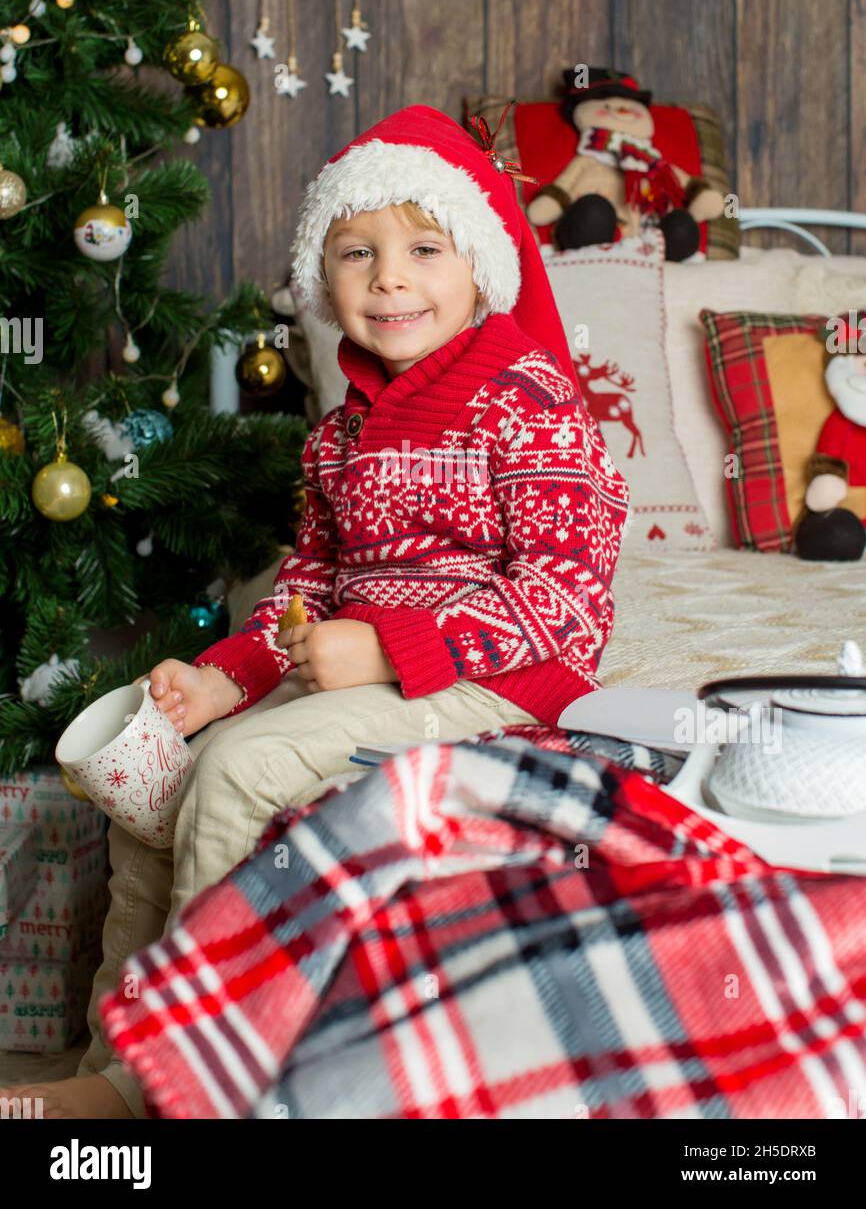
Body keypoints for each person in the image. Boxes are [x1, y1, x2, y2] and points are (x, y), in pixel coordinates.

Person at [0, 103, 629, 1118]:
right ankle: (112, 1057)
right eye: (354, 252)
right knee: (156, 772)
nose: (388, 277)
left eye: (424, 248)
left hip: (495, 686)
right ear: (320, 279)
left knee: (240, 771)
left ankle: (184, 1083)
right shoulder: (340, 433)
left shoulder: (527, 394)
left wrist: (386, 647)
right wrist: (226, 673)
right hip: (361, 671)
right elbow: (305, 589)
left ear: (478, 264)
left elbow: (566, 604)